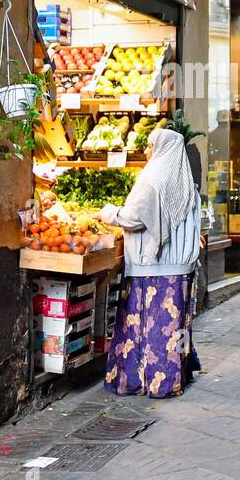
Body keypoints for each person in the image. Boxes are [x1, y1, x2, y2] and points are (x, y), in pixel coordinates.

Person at [99, 128, 202, 397]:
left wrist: (110, 212)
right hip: (181, 269)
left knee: (147, 327)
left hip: (152, 268)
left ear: (162, 148)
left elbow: (133, 219)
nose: (146, 151)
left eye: (149, 145)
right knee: (175, 327)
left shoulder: (152, 180)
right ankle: (174, 379)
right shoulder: (184, 182)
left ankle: (143, 382)